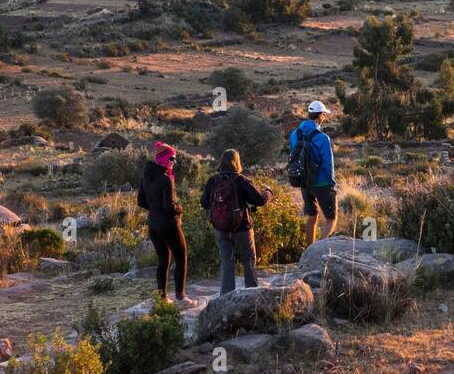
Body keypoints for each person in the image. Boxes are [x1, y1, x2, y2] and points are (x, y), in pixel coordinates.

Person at [200, 148, 273, 296]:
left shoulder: (213, 180)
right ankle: (252, 295)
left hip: (220, 228)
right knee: (248, 261)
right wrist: (269, 193)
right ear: (237, 162)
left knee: (227, 263)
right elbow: (259, 200)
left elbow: (204, 203)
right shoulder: (241, 180)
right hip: (242, 228)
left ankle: (226, 297)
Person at [137, 140, 188, 303]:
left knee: (163, 261)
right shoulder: (166, 180)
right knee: (181, 258)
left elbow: (141, 202)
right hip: (169, 226)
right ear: (165, 160)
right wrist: (180, 208)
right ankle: (180, 297)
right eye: (172, 159)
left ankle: (162, 298)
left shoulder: (146, 178)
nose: (174, 163)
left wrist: (155, 209)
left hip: (154, 226)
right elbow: (169, 207)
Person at [288, 100, 337, 246]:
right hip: (321, 182)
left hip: (304, 181)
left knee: (311, 216)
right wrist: (331, 183)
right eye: (324, 115)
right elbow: (328, 164)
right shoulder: (322, 138)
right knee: (331, 219)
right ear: (320, 116)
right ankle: (318, 250)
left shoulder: (294, 134)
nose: (325, 117)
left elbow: (293, 154)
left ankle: (309, 249)